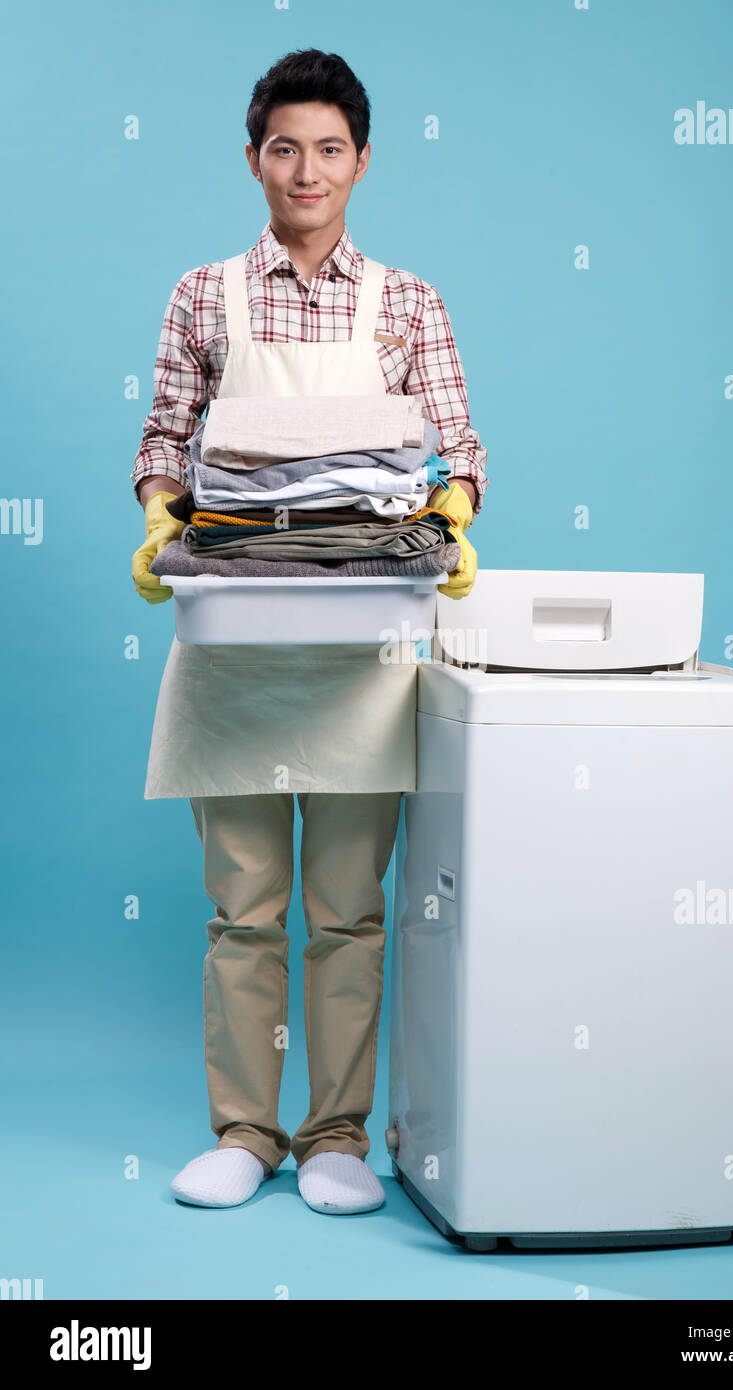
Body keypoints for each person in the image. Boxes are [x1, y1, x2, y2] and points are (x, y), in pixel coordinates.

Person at [130, 48, 489, 1215]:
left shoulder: (408, 304)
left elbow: (459, 449)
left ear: (362, 162)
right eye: (283, 146)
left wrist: (450, 512)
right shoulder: (202, 295)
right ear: (253, 160)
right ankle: (245, 1129)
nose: (306, 168)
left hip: (364, 645)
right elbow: (164, 439)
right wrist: (157, 519)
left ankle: (334, 1136)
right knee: (245, 906)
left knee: (348, 905)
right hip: (234, 635)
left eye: (328, 148)